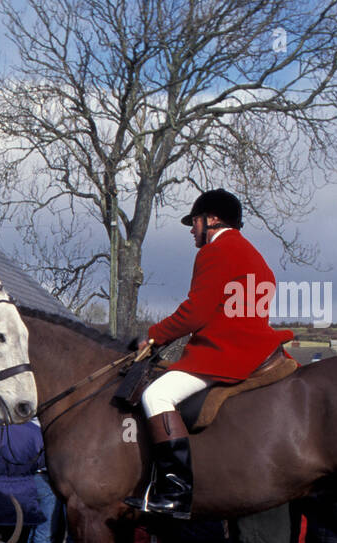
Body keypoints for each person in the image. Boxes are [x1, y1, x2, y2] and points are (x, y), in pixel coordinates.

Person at [124, 189, 294, 519]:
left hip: (225, 353)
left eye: (195, 222)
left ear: (211, 220)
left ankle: (176, 490)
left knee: (156, 395)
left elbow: (195, 313)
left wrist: (153, 337)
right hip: (254, 348)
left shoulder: (215, 252)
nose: (192, 229)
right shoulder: (251, 252)